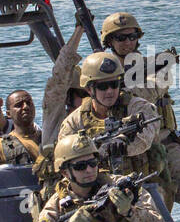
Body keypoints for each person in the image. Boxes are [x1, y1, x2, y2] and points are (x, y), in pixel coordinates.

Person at [101, 11, 180, 222]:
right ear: (110, 41)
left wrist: (122, 87)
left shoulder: (157, 66)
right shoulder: (102, 73)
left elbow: (152, 89)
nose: (128, 42)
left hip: (165, 142)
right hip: (128, 149)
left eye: (132, 36)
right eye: (120, 38)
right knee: (141, 207)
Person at [35, 134, 162, 222]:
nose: (89, 170)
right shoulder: (54, 209)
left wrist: (130, 212)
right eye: (80, 166)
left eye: (93, 163)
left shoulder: (122, 187)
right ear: (65, 173)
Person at [56, 51, 167, 187]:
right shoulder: (74, 122)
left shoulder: (139, 107)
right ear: (89, 89)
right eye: (102, 87)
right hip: (96, 187)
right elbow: (67, 157)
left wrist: (122, 142)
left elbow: (145, 140)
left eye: (114, 84)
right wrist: (100, 151)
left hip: (142, 183)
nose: (110, 91)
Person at [41, 23, 87, 146]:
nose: (89, 99)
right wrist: (79, 30)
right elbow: (59, 78)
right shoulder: (55, 119)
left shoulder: (98, 119)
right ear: (68, 98)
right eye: (83, 94)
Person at [0, 90, 42, 167]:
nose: (26, 107)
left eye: (29, 103)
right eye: (19, 105)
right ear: (8, 114)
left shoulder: (51, 139)